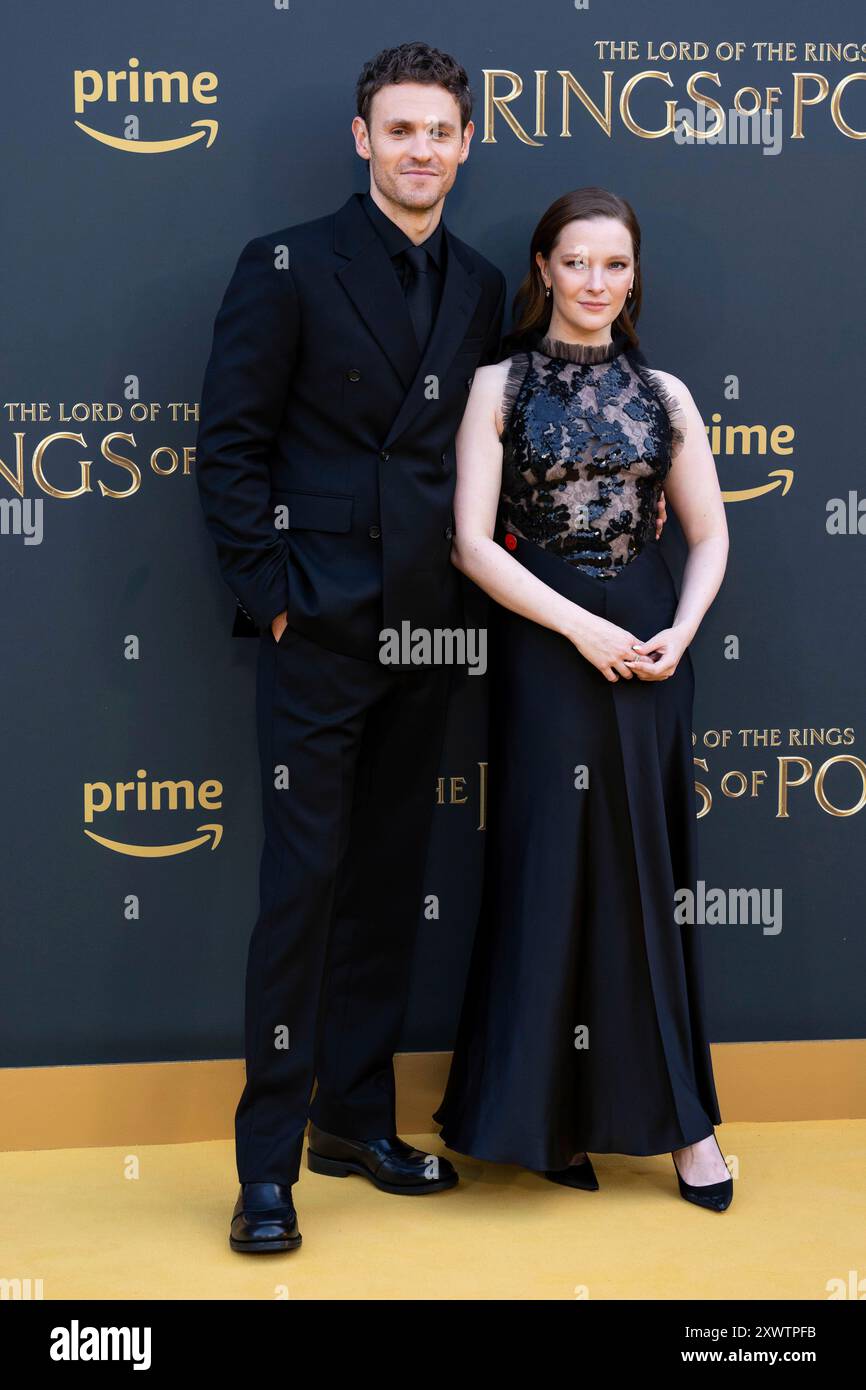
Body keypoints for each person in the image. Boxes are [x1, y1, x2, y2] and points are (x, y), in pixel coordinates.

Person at [195, 42, 511, 1253]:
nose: (421, 148)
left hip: (431, 624)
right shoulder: (283, 264)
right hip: (317, 621)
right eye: (399, 129)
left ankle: (357, 1123)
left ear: (465, 143)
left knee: (387, 885)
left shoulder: (480, 283)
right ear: (360, 138)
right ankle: (266, 1164)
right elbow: (228, 446)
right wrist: (275, 594)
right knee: (303, 890)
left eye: (440, 130)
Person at [432, 187, 734, 1213]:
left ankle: (686, 1129)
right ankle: (539, 1121)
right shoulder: (495, 384)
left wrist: (678, 631)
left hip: (650, 639)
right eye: (576, 263)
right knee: (544, 871)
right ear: (542, 268)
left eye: (613, 265)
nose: (595, 284)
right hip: (542, 640)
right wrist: (575, 626)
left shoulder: (668, 393)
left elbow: (710, 535)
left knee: (643, 879)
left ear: (631, 274)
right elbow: (470, 542)